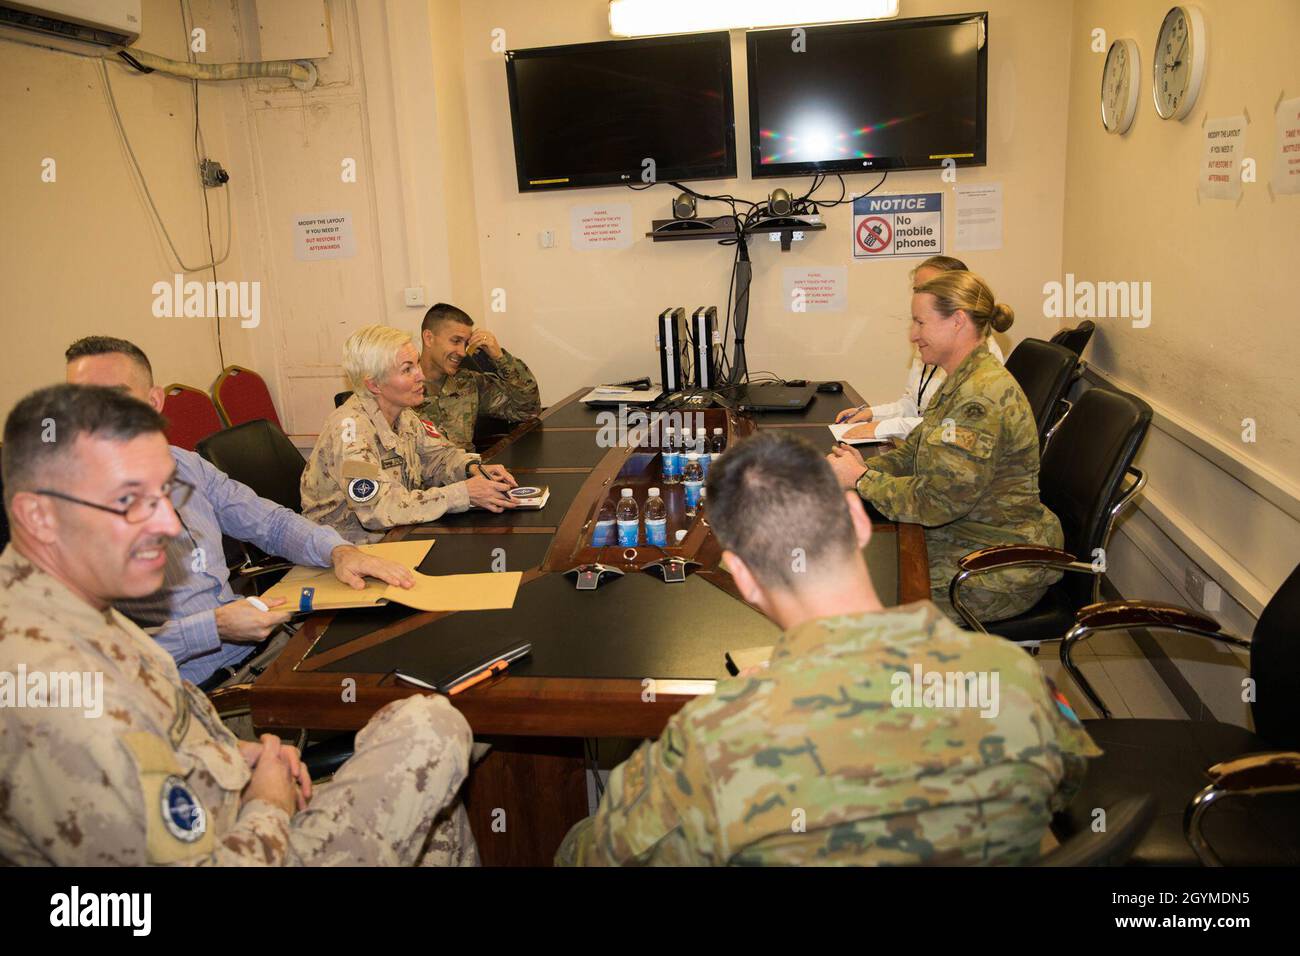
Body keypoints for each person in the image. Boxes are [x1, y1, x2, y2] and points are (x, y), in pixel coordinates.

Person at [555, 432, 1098, 866]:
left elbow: (589, 857)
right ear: (860, 523)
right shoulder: (1013, 677)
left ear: (740, 575)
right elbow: (1062, 786)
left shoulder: (715, 742)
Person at [0, 385, 476, 865]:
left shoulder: (72, 600)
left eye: (166, 493)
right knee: (429, 728)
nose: (169, 526)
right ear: (39, 517)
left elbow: (168, 729)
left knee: (432, 789)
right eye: (129, 500)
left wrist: (233, 759)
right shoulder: (55, 692)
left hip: (229, 803)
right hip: (249, 845)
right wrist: (268, 803)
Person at [65, 336, 414, 689]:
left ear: (154, 402)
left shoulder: (185, 465)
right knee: (386, 697)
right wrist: (213, 627)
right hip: (197, 693)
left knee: (401, 654)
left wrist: (338, 550)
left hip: (264, 649)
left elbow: (270, 523)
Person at [827, 271, 1064, 625]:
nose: (913, 334)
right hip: (965, 535)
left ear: (957, 321)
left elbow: (937, 502)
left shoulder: (978, 399)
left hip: (990, 566)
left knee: (853, 599)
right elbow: (915, 450)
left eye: (921, 322)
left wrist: (862, 481)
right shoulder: (963, 377)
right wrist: (864, 469)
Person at [301, 324, 519, 543]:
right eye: (407, 370)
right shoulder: (349, 431)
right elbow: (377, 509)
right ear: (374, 385)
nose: (421, 375)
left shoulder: (404, 415)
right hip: (342, 554)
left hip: (395, 538)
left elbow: (439, 458)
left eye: (416, 364)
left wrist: (472, 469)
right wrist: (463, 493)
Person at [835, 255, 1005, 441]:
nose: (913, 336)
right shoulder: (932, 341)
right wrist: (872, 414)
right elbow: (915, 404)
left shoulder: (984, 362)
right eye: (918, 289)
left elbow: (947, 428)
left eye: (929, 288)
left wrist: (882, 428)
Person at [415, 302, 541, 451]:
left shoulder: (467, 383)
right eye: (456, 341)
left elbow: (527, 410)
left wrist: (500, 358)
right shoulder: (401, 388)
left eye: (466, 343)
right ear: (429, 338)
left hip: (471, 471)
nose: (462, 352)